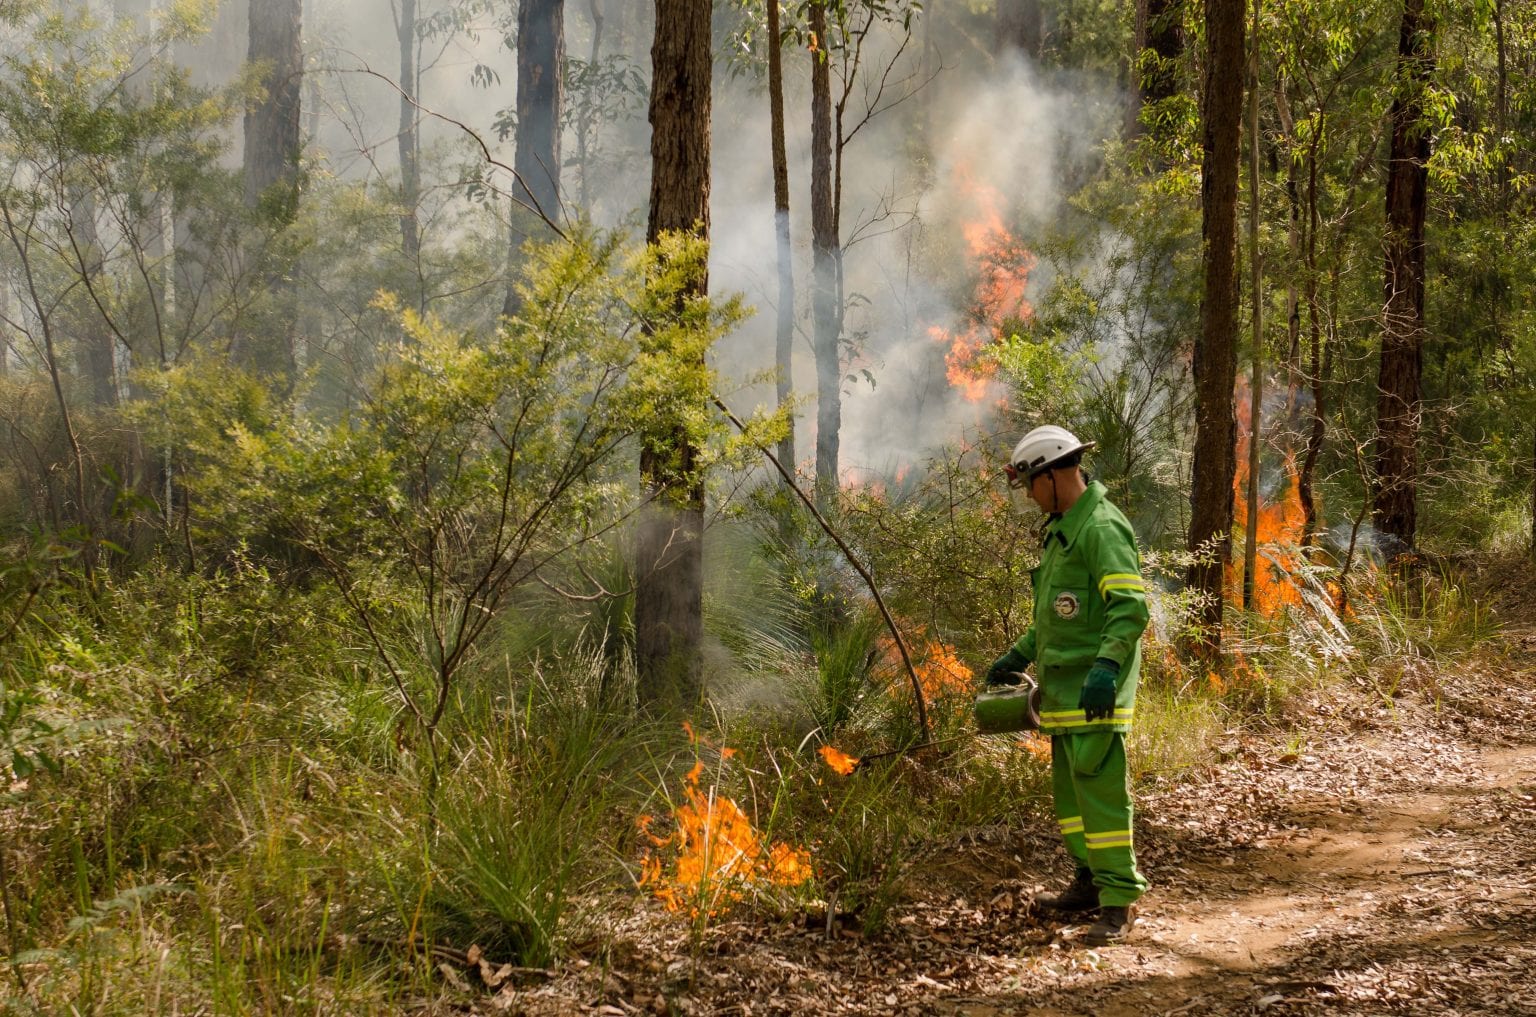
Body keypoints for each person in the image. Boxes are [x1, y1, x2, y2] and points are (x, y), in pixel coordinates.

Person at [988, 424, 1151, 946]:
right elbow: (1054, 615)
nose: (1030, 496)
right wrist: (1019, 653)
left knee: (1101, 802)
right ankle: (1088, 881)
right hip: (1062, 694)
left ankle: (1119, 902)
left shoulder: (1101, 527)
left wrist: (1106, 669)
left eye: (1031, 483)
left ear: (1055, 474)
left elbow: (1129, 608)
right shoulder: (1062, 530)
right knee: (1071, 802)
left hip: (1095, 694)